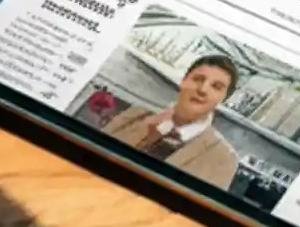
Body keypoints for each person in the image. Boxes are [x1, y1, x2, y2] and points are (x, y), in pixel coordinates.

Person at [103, 54, 240, 190]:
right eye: (198, 79)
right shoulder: (137, 115)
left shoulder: (224, 158)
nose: (202, 89)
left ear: (223, 99)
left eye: (216, 87)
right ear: (183, 81)